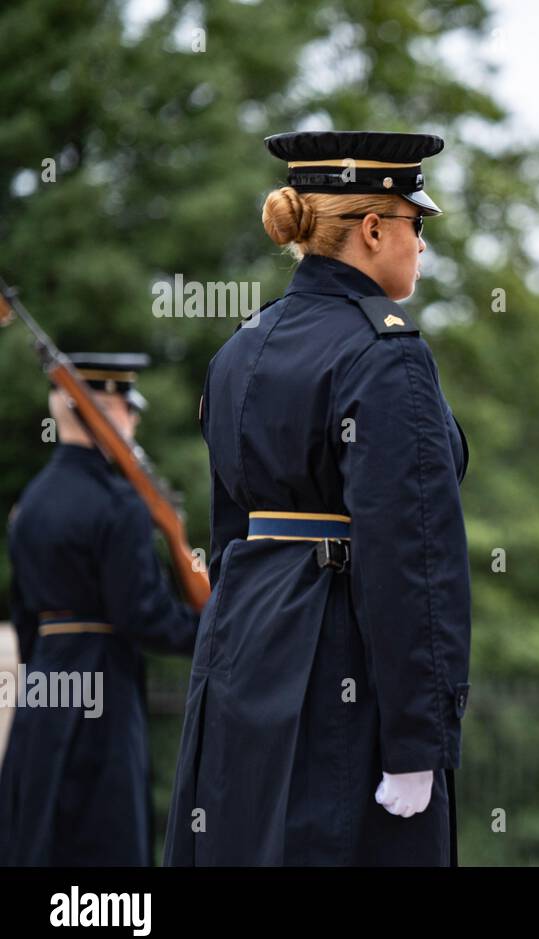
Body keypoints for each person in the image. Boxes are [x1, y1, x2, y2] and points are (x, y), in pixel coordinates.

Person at [163, 131, 471, 866]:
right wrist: (417, 738)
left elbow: (230, 535)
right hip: (343, 656)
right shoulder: (385, 351)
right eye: (414, 224)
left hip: (242, 652)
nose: (421, 246)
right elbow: (412, 555)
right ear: (372, 228)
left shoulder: (241, 346)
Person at [0, 353, 200, 865]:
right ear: (103, 412)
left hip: (42, 695)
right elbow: (143, 615)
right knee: (106, 855)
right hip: (104, 696)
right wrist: (214, 628)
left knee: (38, 839)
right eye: (128, 408)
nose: (134, 420)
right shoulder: (120, 504)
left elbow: (25, 619)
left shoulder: (29, 505)